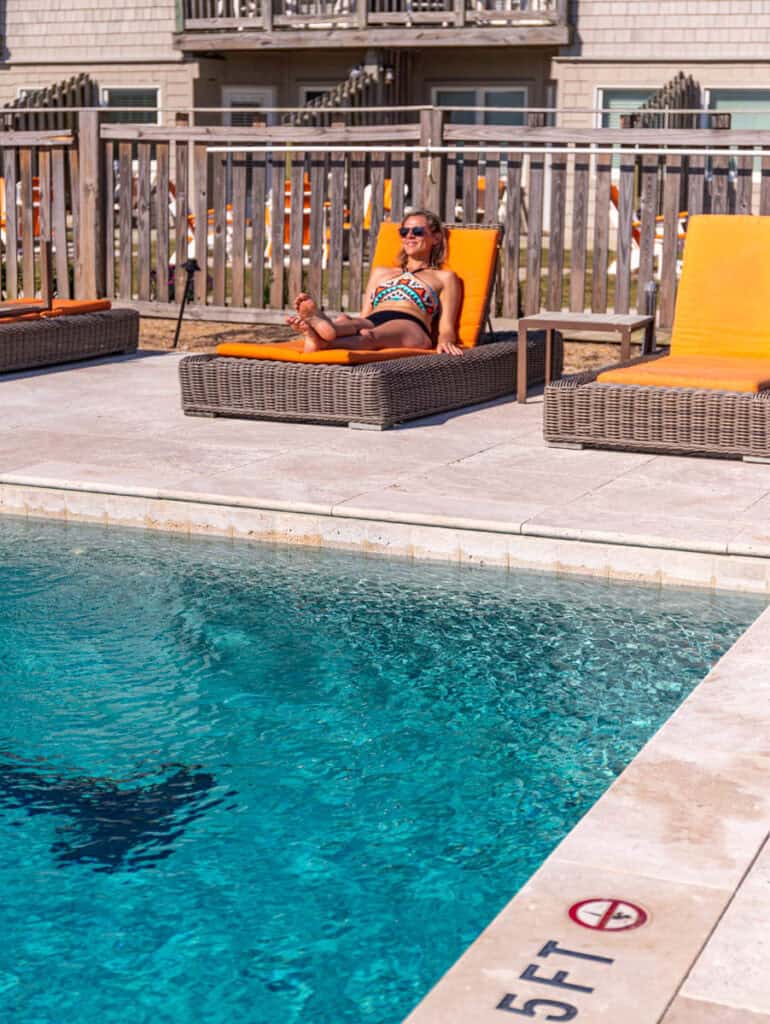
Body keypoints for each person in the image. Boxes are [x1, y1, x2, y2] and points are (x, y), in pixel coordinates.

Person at [286, 209, 464, 356]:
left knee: (369, 335)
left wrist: (445, 342)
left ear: (436, 238)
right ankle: (325, 328)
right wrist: (350, 323)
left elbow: (447, 325)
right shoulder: (382, 273)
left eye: (417, 232)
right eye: (404, 232)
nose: (409, 236)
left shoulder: (444, 277)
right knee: (352, 323)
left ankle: (321, 341)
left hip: (411, 325)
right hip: (374, 318)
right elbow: (365, 315)